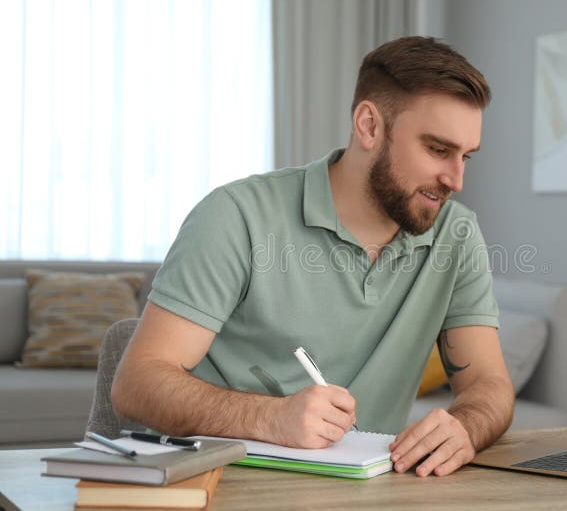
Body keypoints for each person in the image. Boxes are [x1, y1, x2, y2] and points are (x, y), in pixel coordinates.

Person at [112, 36, 514, 477]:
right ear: (369, 126)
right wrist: (269, 417)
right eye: (438, 150)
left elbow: (487, 385)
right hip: (228, 485)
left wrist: (465, 428)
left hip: (375, 493)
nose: (455, 179)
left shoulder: (456, 234)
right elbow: (137, 384)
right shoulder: (236, 216)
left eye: (466, 157)